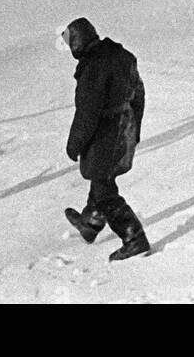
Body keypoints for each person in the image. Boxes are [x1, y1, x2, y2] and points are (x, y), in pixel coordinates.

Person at [61, 17, 151, 261]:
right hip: (125, 125)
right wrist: (135, 129)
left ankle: (134, 238)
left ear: (78, 42)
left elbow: (87, 112)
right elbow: (139, 94)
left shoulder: (93, 66)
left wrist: (75, 143)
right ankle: (90, 222)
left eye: (70, 42)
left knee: (104, 188)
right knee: (102, 176)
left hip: (106, 132)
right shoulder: (121, 55)